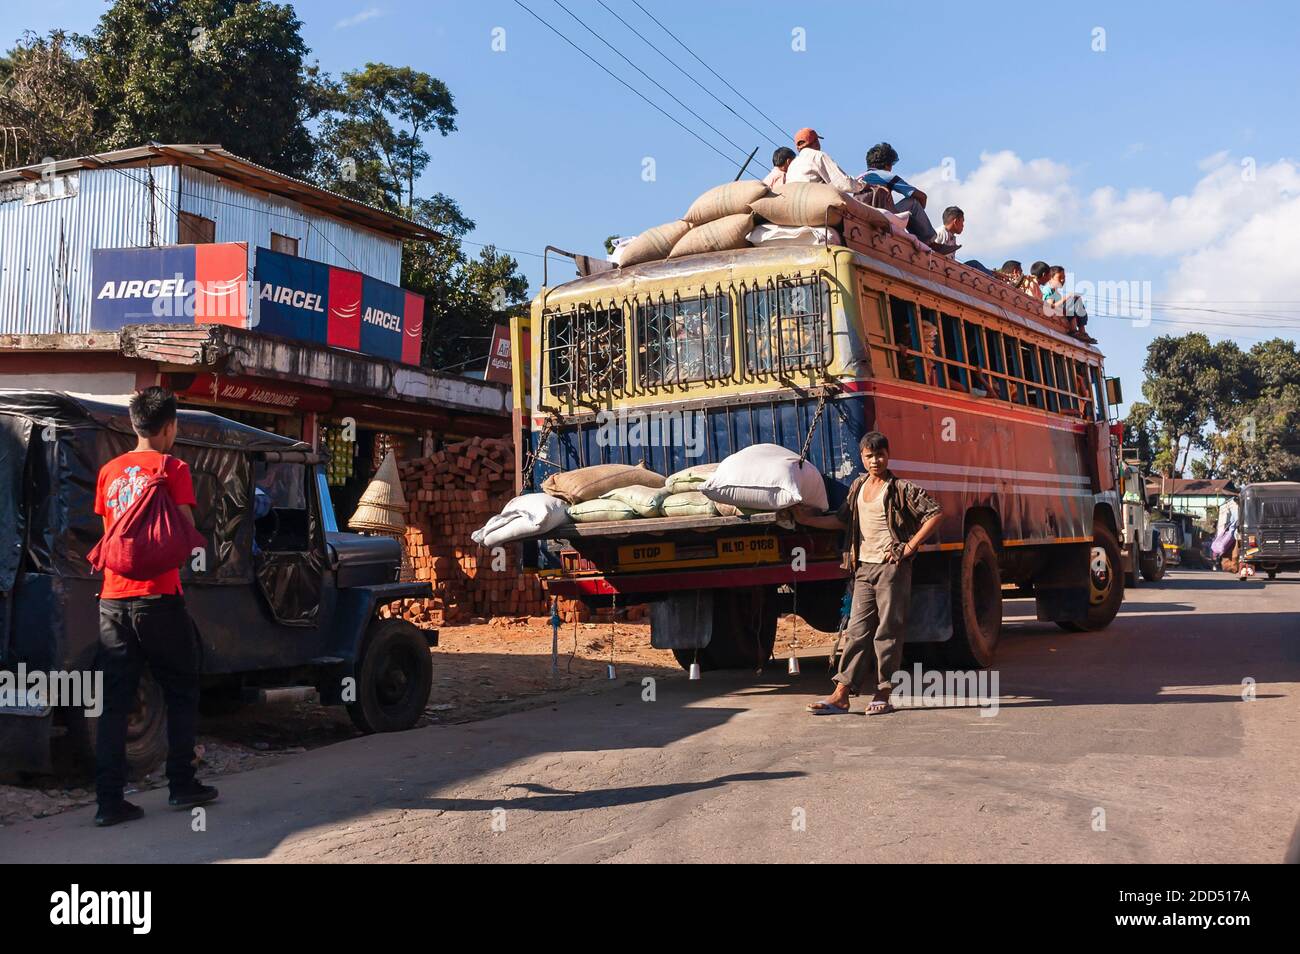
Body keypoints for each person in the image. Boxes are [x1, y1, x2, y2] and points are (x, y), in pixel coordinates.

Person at [93, 387, 218, 827]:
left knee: (114, 702)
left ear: (133, 424)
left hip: (111, 600)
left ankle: (108, 803)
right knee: (181, 689)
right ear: (169, 427)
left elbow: (114, 532)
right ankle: (182, 785)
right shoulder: (173, 468)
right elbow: (181, 531)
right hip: (160, 599)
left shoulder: (109, 471)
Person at [798, 432, 942, 715]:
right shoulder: (858, 486)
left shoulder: (900, 488)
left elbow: (935, 513)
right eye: (869, 456)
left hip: (892, 568)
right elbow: (842, 520)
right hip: (862, 568)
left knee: (888, 631)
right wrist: (807, 519)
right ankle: (841, 694)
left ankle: (884, 691)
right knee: (857, 631)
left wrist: (910, 546)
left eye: (880, 455)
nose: (875, 460)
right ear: (862, 458)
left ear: (888, 456)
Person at [858, 142, 955, 254]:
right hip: (883, 216)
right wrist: (916, 220)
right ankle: (930, 242)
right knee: (913, 203)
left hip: (864, 216)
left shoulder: (860, 177)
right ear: (887, 165)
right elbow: (921, 196)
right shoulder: (886, 175)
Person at [785, 127, 865, 195]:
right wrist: (862, 185)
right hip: (811, 204)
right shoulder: (818, 156)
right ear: (816, 142)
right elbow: (843, 183)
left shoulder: (793, 164)